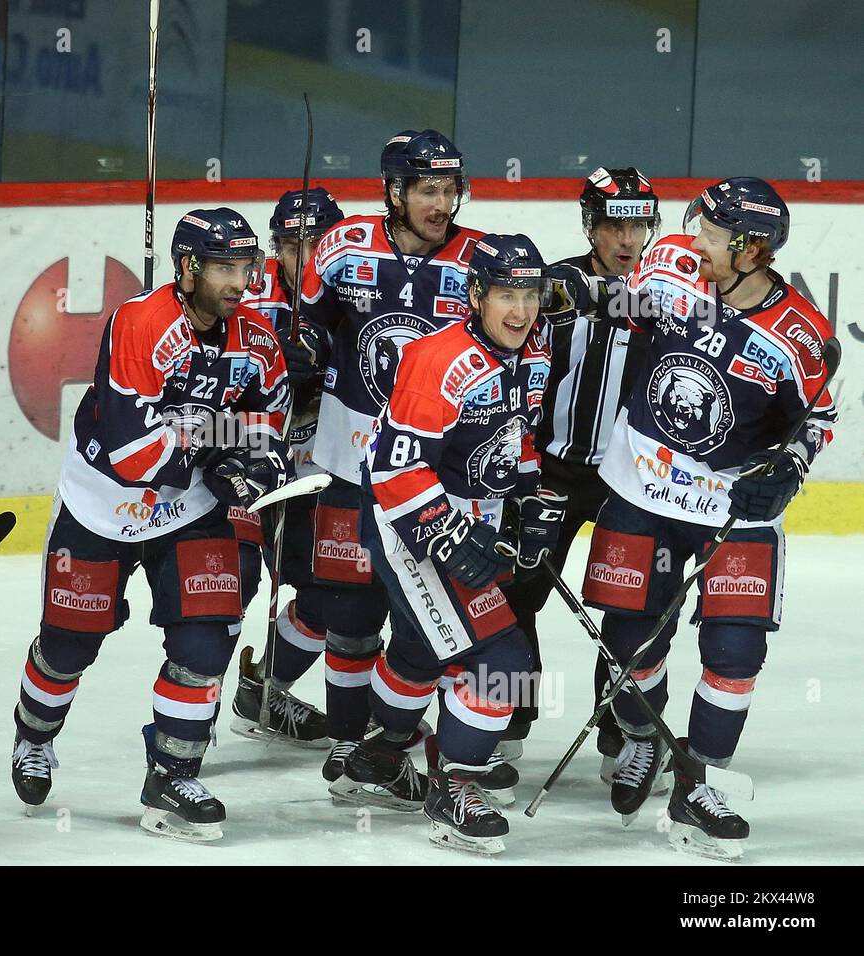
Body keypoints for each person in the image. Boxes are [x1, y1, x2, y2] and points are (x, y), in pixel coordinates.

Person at [551, 178, 837, 858]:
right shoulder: (671, 266)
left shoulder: (800, 335)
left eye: (709, 235)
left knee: (736, 656)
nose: (689, 242)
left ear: (752, 249)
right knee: (628, 648)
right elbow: (619, 302)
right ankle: (646, 738)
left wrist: (790, 469)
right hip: (642, 488)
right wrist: (554, 289)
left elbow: (817, 417)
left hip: (733, 510)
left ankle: (698, 784)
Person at [8, 208, 290, 842]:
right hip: (103, 504)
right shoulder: (138, 323)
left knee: (205, 642)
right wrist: (225, 458)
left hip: (189, 509)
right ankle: (34, 735)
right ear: (187, 268)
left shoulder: (256, 338)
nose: (239, 283)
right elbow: (134, 455)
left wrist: (259, 459)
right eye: (224, 268)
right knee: (68, 645)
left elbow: (269, 417)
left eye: (245, 267)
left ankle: (172, 774)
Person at [341, 235, 558, 853]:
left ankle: (379, 758)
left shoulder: (529, 352)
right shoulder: (439, 359)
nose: (520, 310)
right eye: (507, 295)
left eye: (530, 295)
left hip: (463, 521)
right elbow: (394, 467)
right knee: (502, 663)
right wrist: (445, 532)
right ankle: (455, 785)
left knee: (418, 649)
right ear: (476, 295)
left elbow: (514, 439)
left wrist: (529, 497)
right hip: (408, 525)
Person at [292, 130, 485, 791]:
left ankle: (397, 740)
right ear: (395, 192)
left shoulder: (480, 260)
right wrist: (304, 349)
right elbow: (308, 321)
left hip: (435, 478)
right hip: (349, 467)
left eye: (450, 189)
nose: (442, 203)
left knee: (432, 623)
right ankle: (351, 751)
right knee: (349, 619)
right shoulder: (343, 246)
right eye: (428, 190)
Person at [498, 167, 660, 789]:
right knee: (513, 598)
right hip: (549, 468)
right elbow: (564, 299)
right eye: (614, 223)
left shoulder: (670, 292)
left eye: (639, 223)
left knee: (629, 604)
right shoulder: (554, 285)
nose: (627, 237)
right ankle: (507, 720)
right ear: (590, 223)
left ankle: (623, 730)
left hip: (633, 478)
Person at [229, 186, 344, 747]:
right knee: (228, 588)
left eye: (318, 244)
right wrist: (275, 369)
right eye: (292, 245)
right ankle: (189, 711)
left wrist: (322, 375)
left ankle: (266, 689)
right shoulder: (248, 293)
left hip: (328, 470)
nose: (306, 259)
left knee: (333, 595)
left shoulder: (361, 294)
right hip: (248, 468)